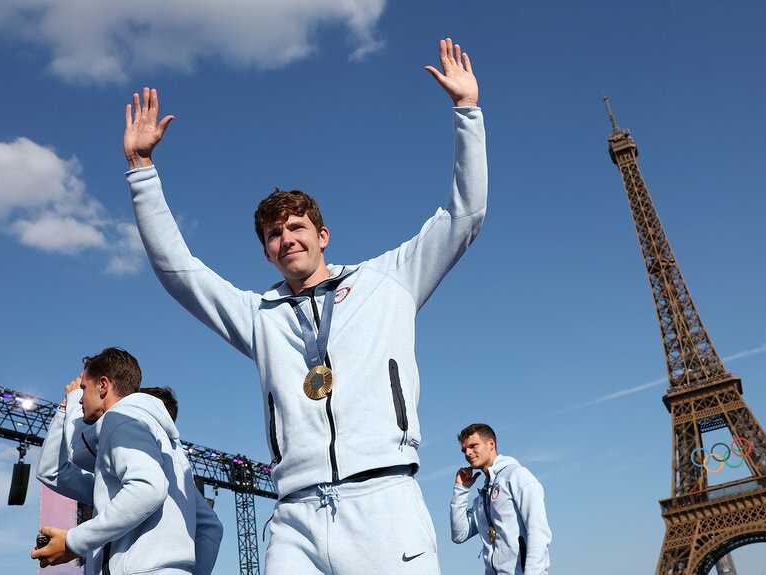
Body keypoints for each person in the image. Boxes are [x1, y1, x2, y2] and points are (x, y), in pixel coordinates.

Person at [123, 37, 486, 574]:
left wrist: (467, 112)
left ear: (323, 234)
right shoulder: (257, 315)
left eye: (296, 227)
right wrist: (140, 169)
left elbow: (465, 214)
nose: (286, 238)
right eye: (273, 234)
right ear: (266, 253)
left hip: (381, 502)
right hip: (295, 514)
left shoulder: (389, 280)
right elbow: (179, 272)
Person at [33, 348, 223, 575]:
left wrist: (73, 542)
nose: (81, 397)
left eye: (83, 388)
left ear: (103, 385)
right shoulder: (172, 454)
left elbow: (147, 489)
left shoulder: (121, 418)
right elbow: (211, 527)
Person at [450, 423, 551, 575]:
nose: (468, 453)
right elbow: (459, 535)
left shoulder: (517, 476)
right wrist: (460, 490)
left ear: (491, 444)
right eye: (464, 450)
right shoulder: (482, 498)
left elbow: (538, 532)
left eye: (473, 446)